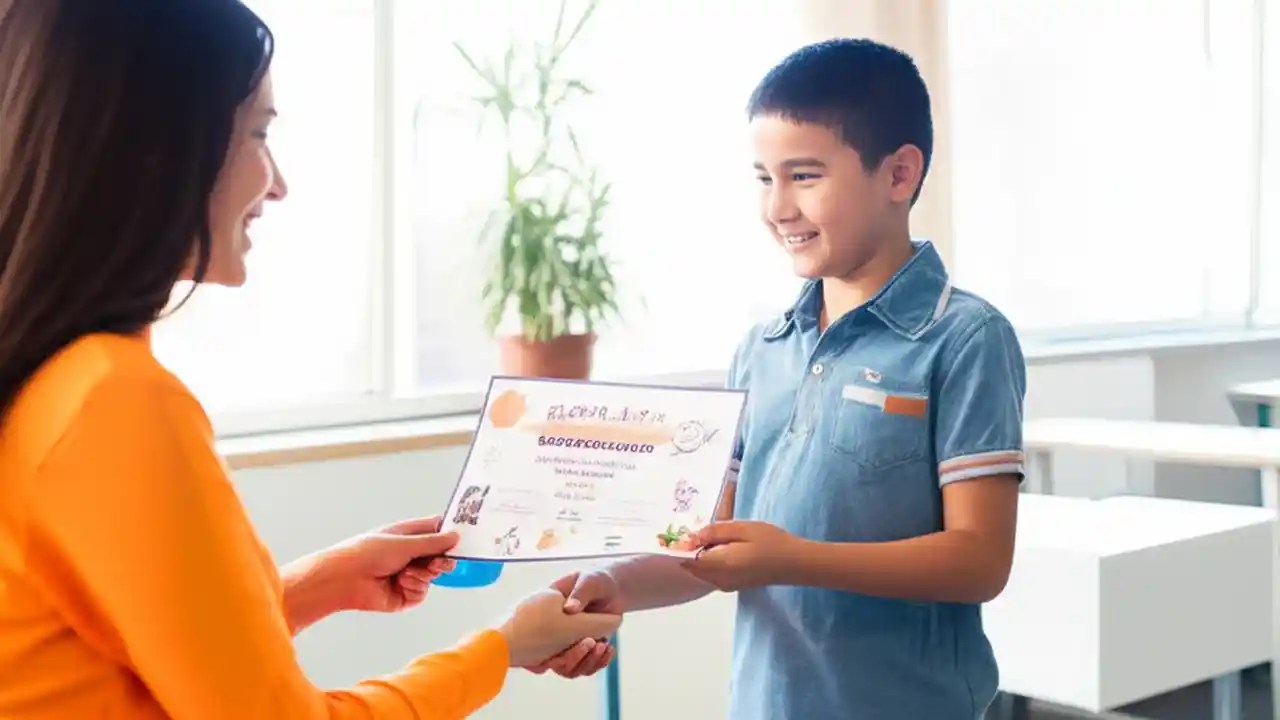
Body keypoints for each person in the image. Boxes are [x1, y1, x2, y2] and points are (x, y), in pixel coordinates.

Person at [0, 1, 619, 718]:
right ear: (160, 148)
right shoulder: (114, 399)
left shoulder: (50, 376)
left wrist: (324, 582)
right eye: (259, 134)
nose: (278, 182)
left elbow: (118, 654)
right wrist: (500, 649)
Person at [532, 38, 1026, 719]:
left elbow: (980, 562)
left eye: (805, 176)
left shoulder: (965, 338)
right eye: (764, 178)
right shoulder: (761, 349)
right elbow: (714, 545)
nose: (777, 208)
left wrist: (793, 559)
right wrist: (612, 583)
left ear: (899, 174)